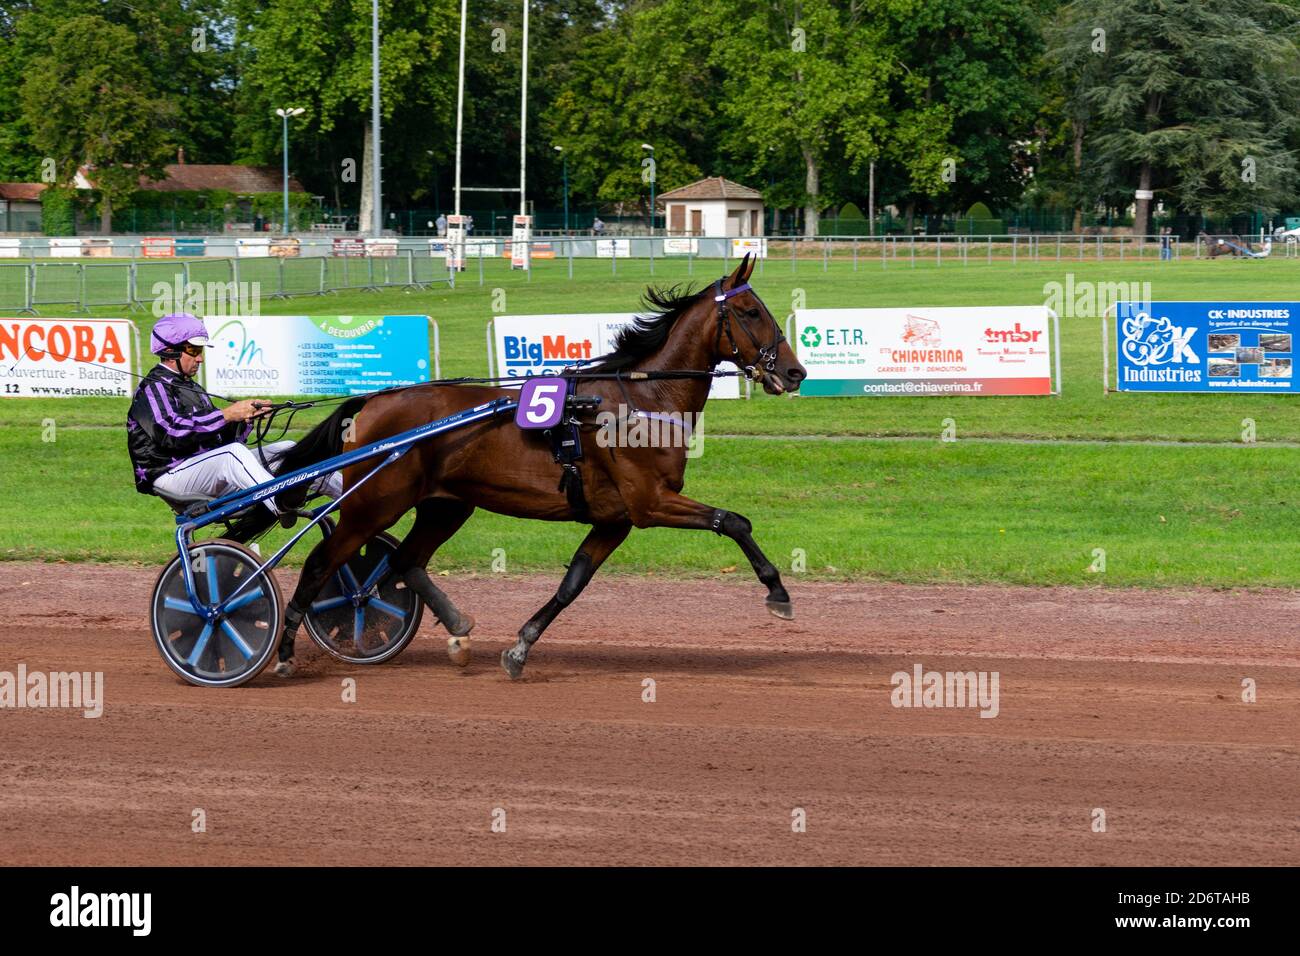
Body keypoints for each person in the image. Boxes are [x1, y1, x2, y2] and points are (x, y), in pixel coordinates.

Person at [126, 312, 342, 516]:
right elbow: (172, 434)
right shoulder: (152, 388)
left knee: (288, 449)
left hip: (200, 469)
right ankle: (277, 503)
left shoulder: (193, 388)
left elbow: (218, 441)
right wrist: (228, 414)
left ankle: (353, 496)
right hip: (169, 475)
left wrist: (246, 418)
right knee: (233, 455)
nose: (200, 359)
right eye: (194, 351)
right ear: (170, 351)